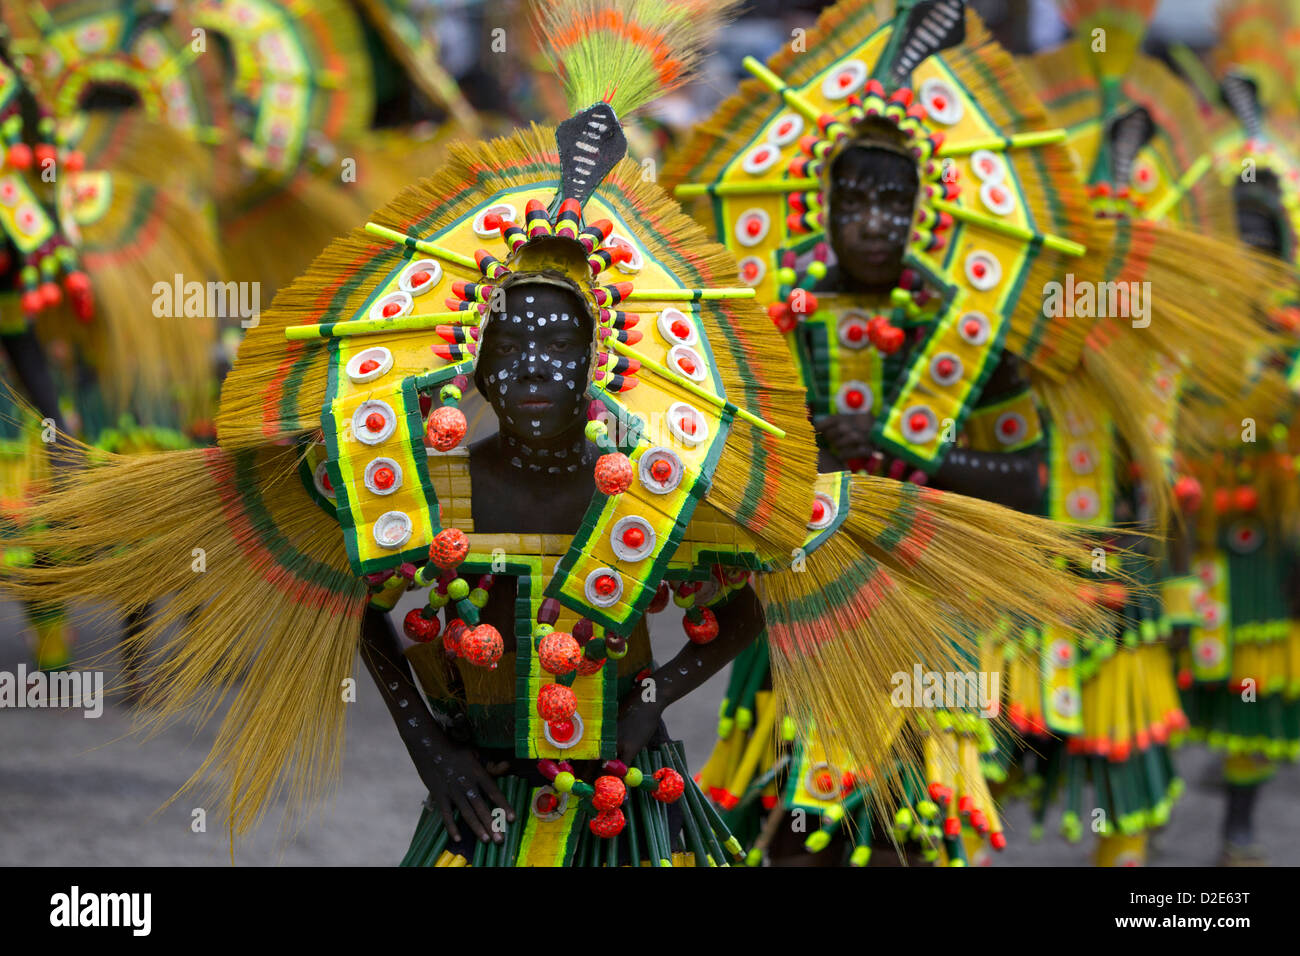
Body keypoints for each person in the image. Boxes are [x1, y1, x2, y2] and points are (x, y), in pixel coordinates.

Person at [5, 0, 1115, 865]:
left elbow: (759, 578)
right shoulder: (416, 476)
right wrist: (431, 746)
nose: (536, 366)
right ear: (469, 358)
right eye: (514, 345)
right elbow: (352, 594)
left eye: (560, 344)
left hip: (637, 806)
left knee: (886, 831)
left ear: (604, 357)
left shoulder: (661, 472)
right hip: (479, 807)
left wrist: (648, 695)